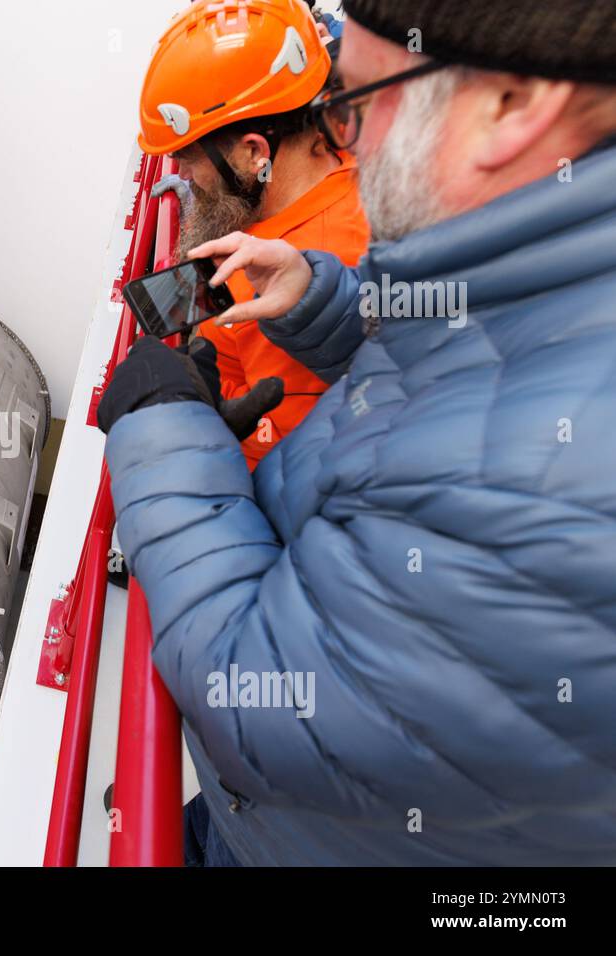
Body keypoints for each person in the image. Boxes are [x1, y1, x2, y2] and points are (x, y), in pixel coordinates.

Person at [97, 0, 616, 865]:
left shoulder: (554, 494)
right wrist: (326, 301)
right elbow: (447, 365)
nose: (344, 145)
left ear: (514, 104)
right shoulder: (538, 281)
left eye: (359, 105)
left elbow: (253, 697)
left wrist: (162, 432)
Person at [137, 0, 369, 469]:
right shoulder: (345, 160)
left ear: (253, 152)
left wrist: (188, 424)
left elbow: (290, 471)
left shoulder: (285, 294)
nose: (180, 174)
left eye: (188, 158)